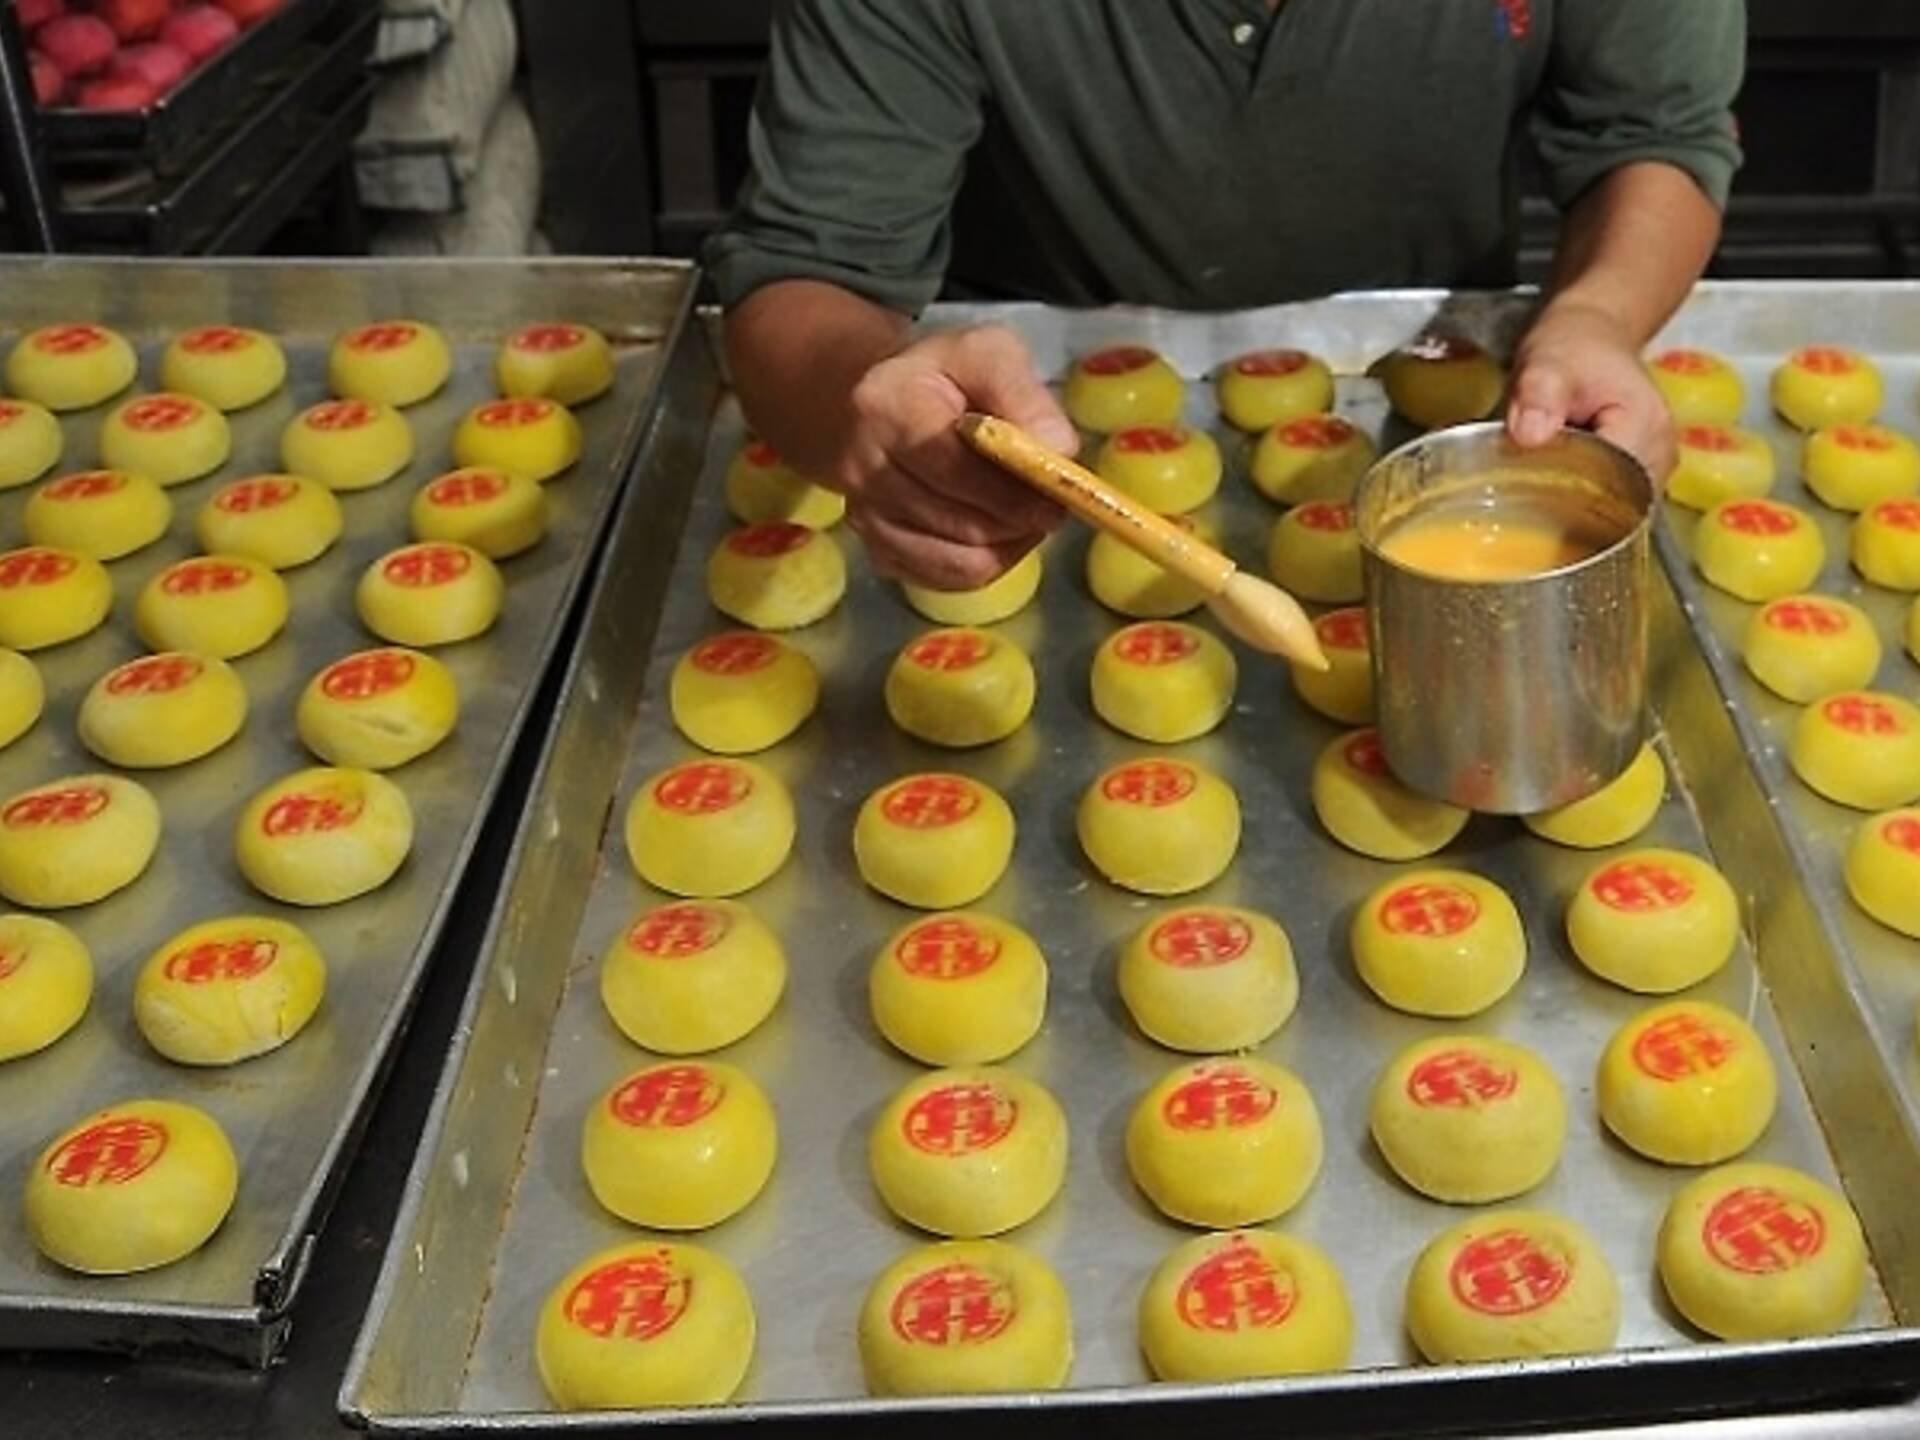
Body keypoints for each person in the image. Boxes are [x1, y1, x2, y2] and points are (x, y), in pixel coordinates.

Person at [708, 1, 1743, 590]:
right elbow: (806, 265)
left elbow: (1656, 131)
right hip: (1015, 445)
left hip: (1459, 413)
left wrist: (1599, 314)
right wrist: (865, 411)